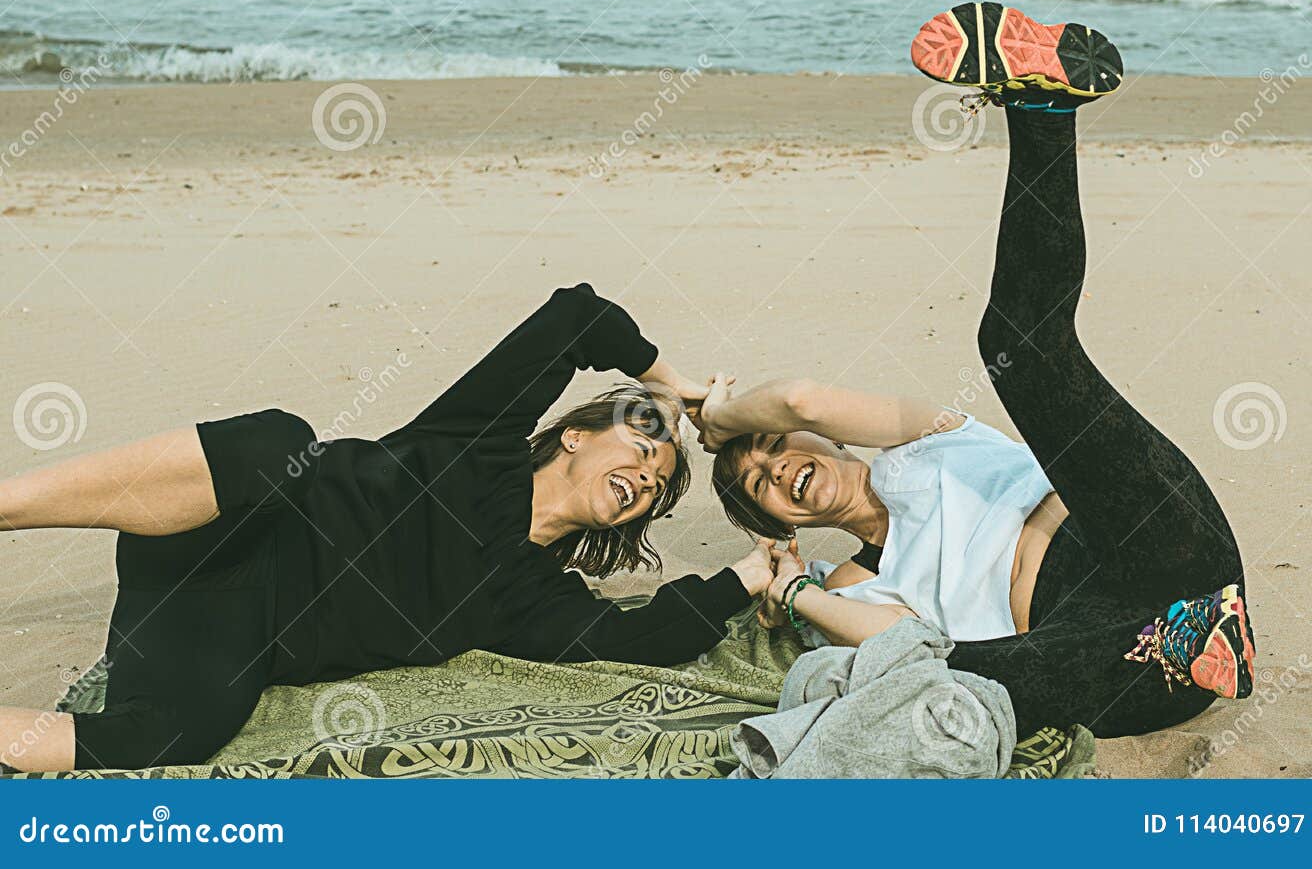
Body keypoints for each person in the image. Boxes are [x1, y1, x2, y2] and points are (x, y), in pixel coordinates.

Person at [705, 1, 1255, 740]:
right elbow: (897, 641)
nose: (777, 471)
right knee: (948, 674)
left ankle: (1042, 108)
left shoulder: (923, 439)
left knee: (1018, 350)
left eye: (775, 446)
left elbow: (799, 397)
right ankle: (1189, 644)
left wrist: (722, 418)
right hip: (1095, 641)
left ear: (824, 440)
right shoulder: (856, 580)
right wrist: (795, 589)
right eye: (759, 488)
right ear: (781, 521)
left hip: (1144, 532)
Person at [0, 284, 774, 773]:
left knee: (174, 736)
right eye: (641, 449)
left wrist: (747, 575)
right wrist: (671, 392)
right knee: (279, 445)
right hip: (219, 519)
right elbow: (580, 316)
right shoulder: (477, 438)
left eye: (656, 487)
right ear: (575, 434)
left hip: (223, 635)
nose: (647, 476)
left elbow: (641, 639)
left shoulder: (532, 601)